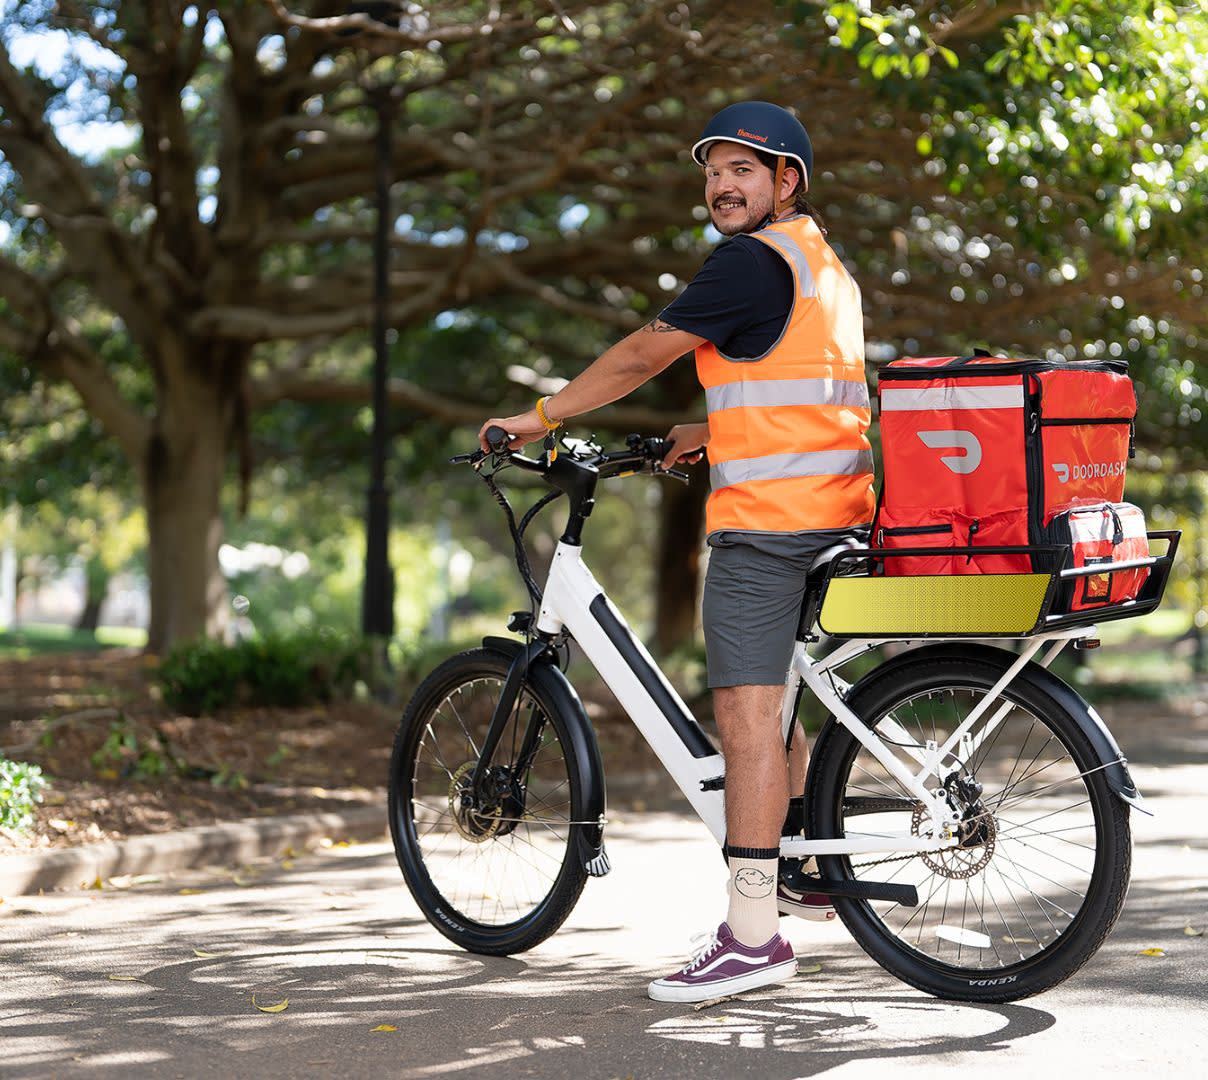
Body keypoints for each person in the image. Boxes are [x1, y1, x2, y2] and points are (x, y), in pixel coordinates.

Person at [478, 101, 875, 1003]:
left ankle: (751, 936)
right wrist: (709, 432)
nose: (722, 186)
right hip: (836, 506)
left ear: (787, 181)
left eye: (743, 170)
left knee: (744, 714)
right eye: (712, 172)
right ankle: (796, 867)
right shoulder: (821, 263)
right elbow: (803, 391)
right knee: (777, 705)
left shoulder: (749, 261)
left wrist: (538, 417)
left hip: (770, 525)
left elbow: (641, 355)